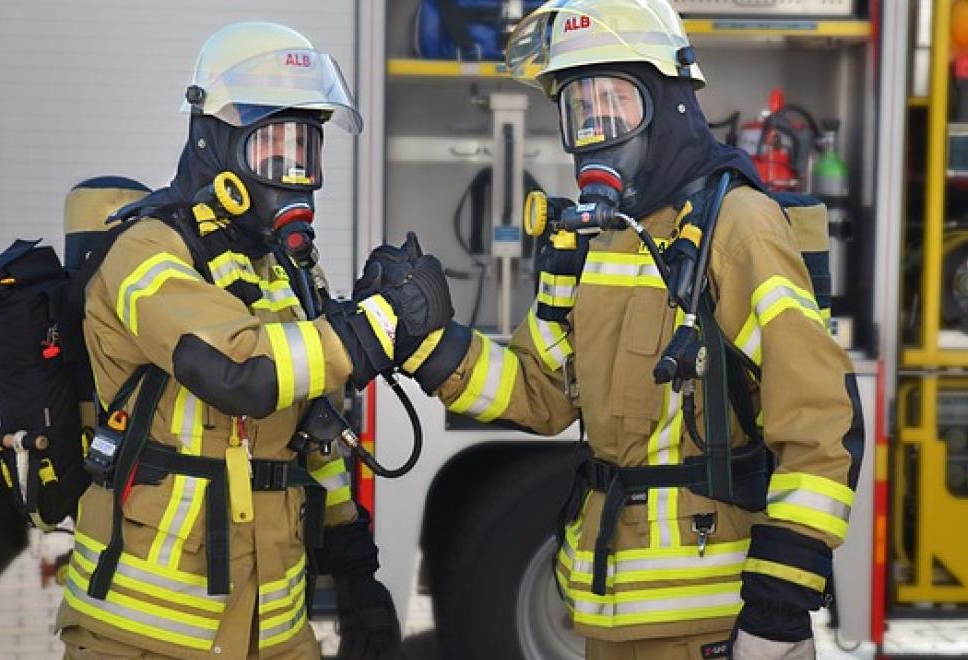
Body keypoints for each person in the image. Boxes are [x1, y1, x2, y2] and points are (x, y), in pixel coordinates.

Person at [354, 1, 865, 658]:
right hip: (604, 618)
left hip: (711, 624)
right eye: (580, 109)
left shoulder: (739, 228)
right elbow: (542, 392)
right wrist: (428, 342)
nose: (596, 130)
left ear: (671, 102)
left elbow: (820, 423)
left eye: (615, 102)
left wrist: (777, 609)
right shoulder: (599, 240)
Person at [53, 22, 446, 660]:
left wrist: (355, 571)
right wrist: (376, 325)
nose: (293, 174)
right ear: (213, 144)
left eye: (305, 150)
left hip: (275, 631)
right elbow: (241, 375)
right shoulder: (147, 252)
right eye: (273, 148)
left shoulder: (280, 271)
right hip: (148, 633)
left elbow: (315, 434)